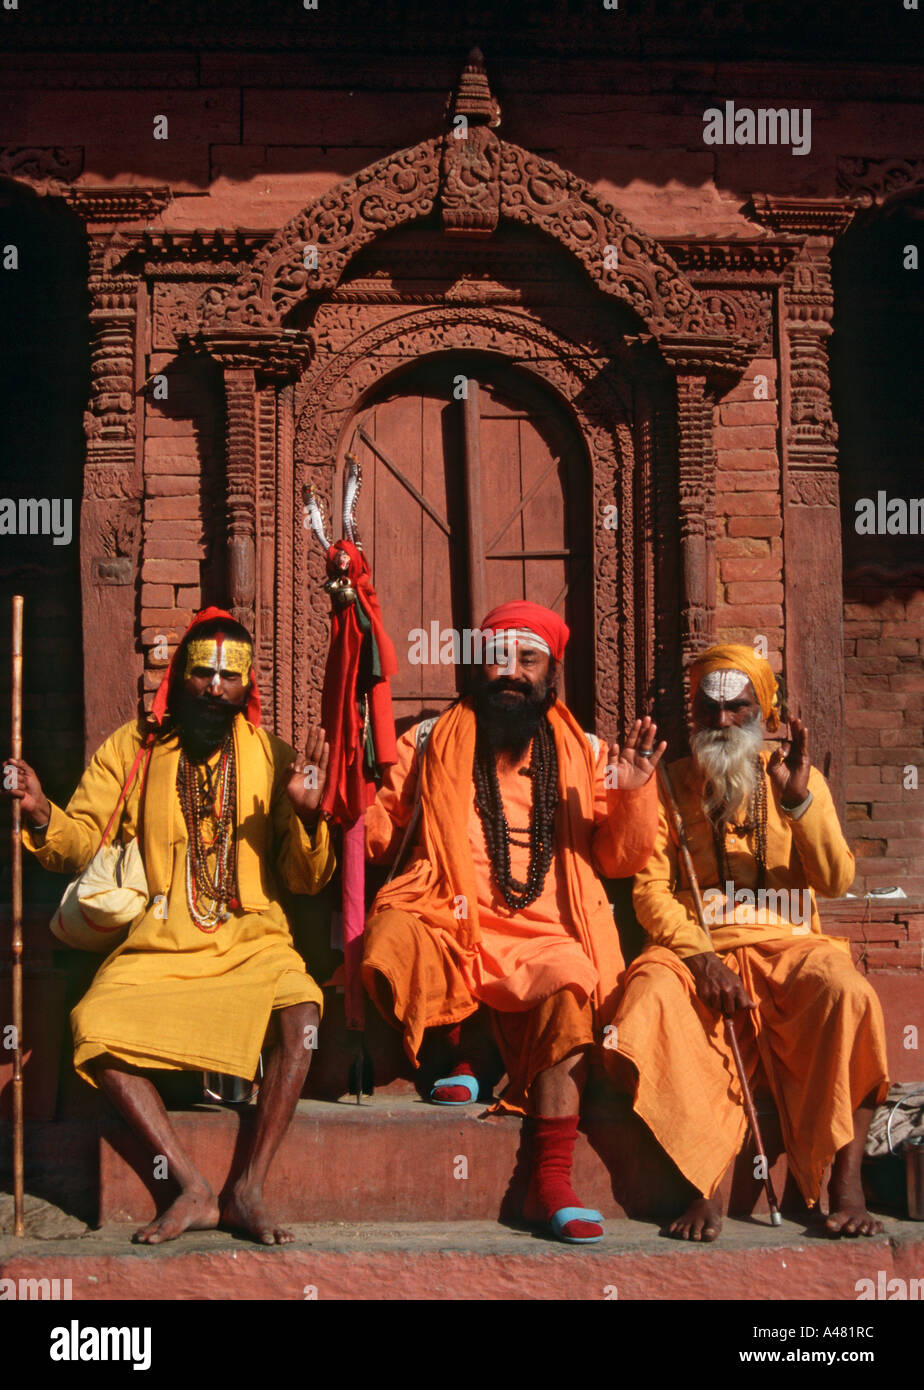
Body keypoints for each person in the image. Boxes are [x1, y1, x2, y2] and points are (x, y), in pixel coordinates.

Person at [4, 607, 335, 1245]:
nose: (214, 688)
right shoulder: (134, 749)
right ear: (180, 676)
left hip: (253, 940)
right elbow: (80, 842)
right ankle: (189, 1184)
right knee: (92, 1027)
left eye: (228, 676)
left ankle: (249, 1187)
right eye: (202, 673)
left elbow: (304, 879)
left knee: (305, 1020)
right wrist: (44, 813)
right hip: (160, 944)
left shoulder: (272, 756)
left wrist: (309, 819)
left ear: (247, 687)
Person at [362, 600, 664, 1243]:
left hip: (546, 933)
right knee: (392, 935)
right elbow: (380, 840)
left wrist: (635, 791)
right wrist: (347, 789)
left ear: (549, 673)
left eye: (527, 660)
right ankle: (460, 1048)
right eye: (498, 658)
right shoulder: (426, 742)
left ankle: (548, 1180)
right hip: (451, 916)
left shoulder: (586, 753)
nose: (511, 672)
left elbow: (620, 859)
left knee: (573, 986)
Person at [612, 643, 889, 1241]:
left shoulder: (794, 779)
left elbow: (837, 880)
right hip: (695, 945)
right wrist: (701, 957)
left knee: (851, 995)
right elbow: (650, 891)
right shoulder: (667, 783)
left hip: (790, 944)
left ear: (762, 713)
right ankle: (703, 1181)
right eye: (707, 711)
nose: (720, 723)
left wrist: (798, 803)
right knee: (651, 997)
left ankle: (846, 1183)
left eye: (736, 709)